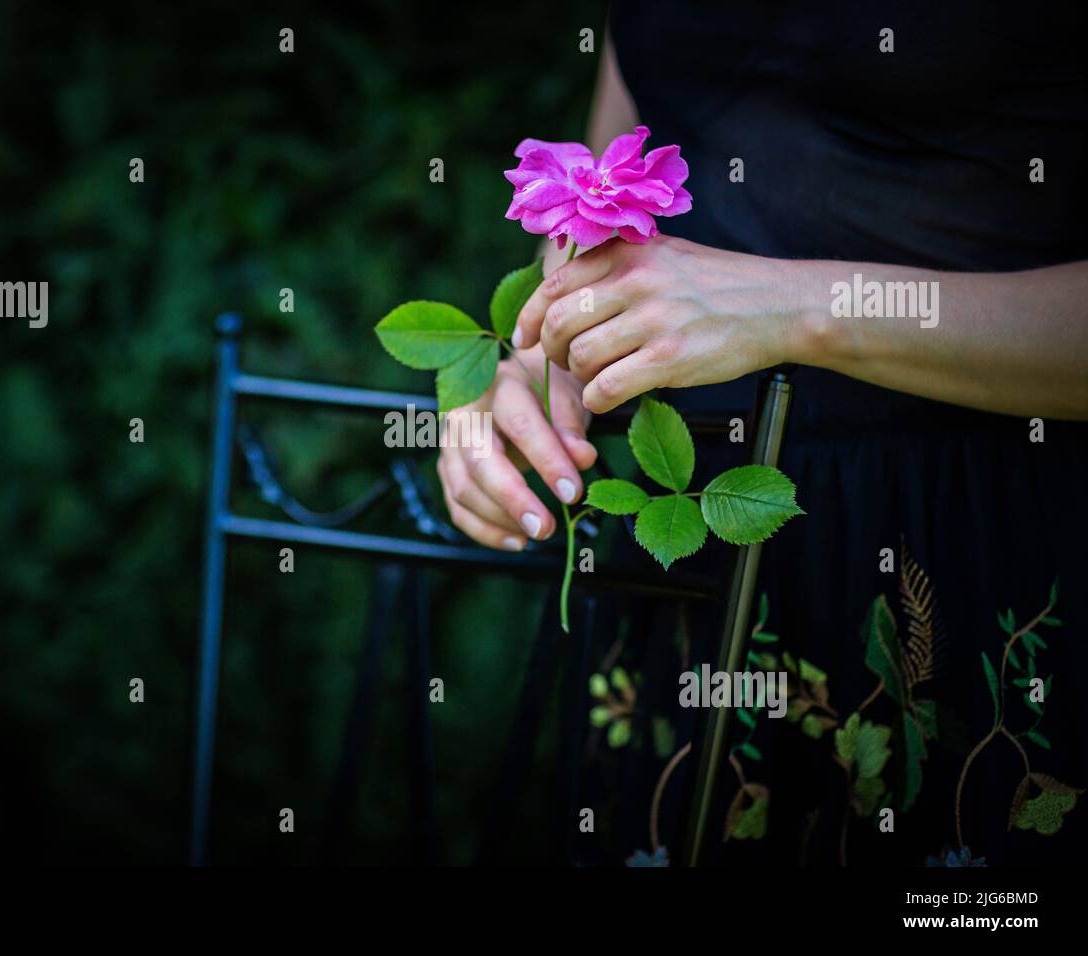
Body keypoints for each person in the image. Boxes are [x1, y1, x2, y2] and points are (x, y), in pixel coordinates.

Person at [438, 1, 1088, 865]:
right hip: (690, 537)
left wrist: (797, 307)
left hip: (978, 545)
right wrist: (530, 355)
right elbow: (609, 181)